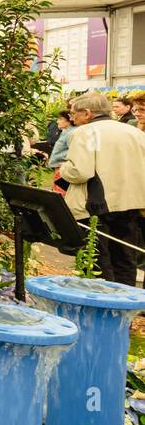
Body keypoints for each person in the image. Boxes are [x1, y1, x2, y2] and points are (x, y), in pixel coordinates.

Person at [58, 91, 145, 285]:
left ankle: (101, 306)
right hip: (131, 203)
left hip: (97, 204)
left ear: (88, 113)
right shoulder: (135, 132)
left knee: (97, 258)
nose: (72, 118)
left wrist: (64, 169)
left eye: (74, 113)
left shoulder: (85, 132)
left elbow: (80, 171)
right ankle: (124, 305)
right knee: (125, 258)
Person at [47, 110, 74, 192]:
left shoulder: (72, 133)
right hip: (60, 167)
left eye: (60, 119)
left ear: (69, 120)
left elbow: (74, 151)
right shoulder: (65, 132)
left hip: (64, 168)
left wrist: (64, 161)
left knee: (61, 194)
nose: (57, 121)